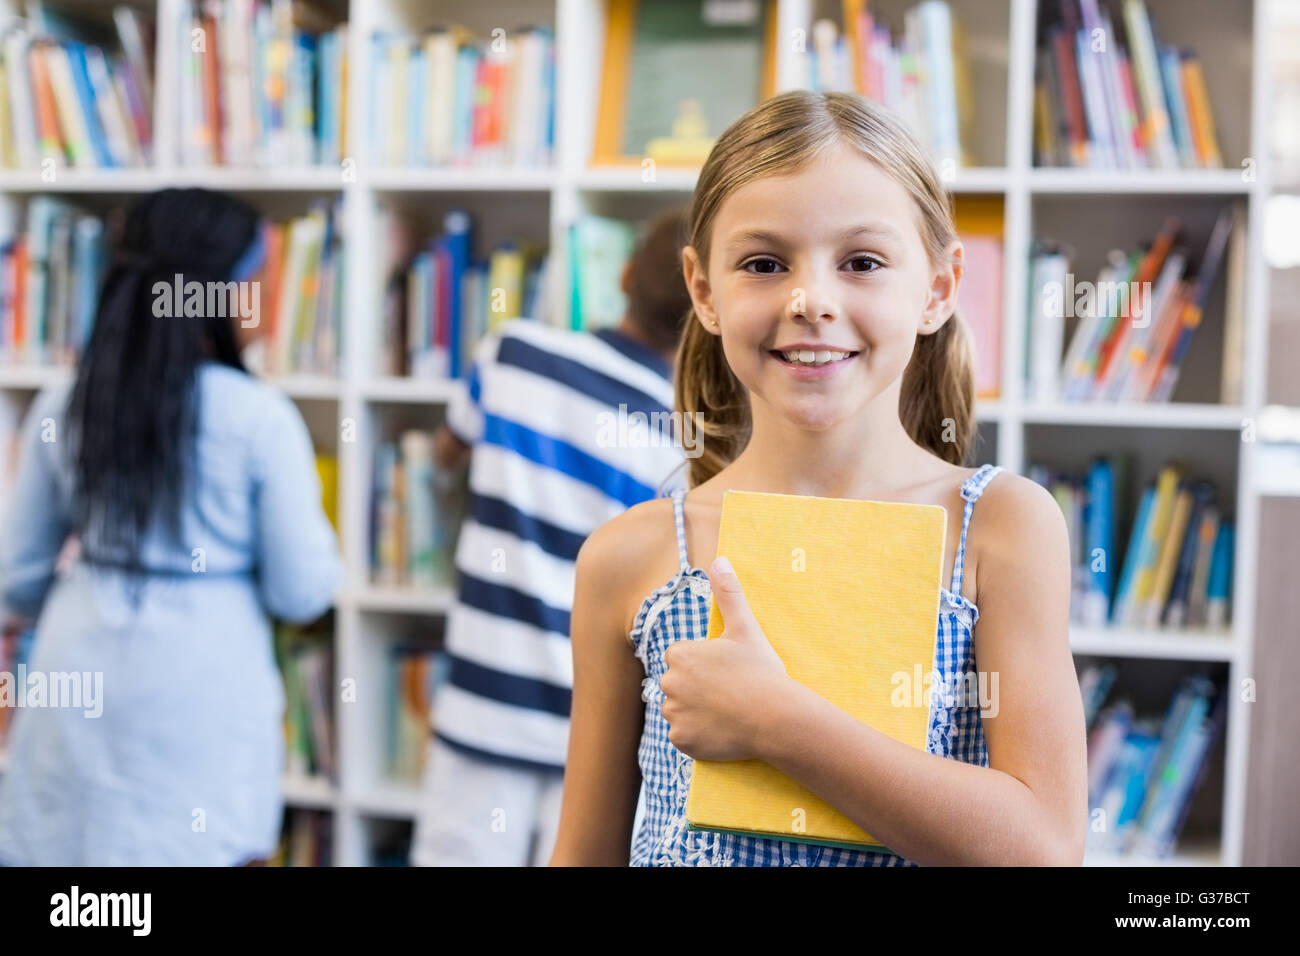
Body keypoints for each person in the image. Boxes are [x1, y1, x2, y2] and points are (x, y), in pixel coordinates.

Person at [550, 90, 1089, 867]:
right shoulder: (626, 559)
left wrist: (774, 720)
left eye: (862, 263)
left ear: (937, 288)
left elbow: (1042, 851)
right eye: (764, 264)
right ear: (703, 290)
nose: (812, 302)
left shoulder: (1001, 527)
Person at [0, 188, 341, 866]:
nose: (270, 297)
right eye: (259, 279)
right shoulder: (258, 418)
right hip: (201, 695)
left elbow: (14, 583)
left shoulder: (64, 402)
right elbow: (304, 592)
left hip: (74, 683)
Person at [411, 209, 694, 867]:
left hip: (482, 712)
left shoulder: (512, 354)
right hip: (592, 741)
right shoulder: (677, 443)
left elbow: (446, 457)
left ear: (622, 278)